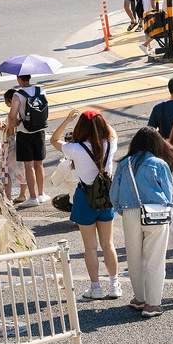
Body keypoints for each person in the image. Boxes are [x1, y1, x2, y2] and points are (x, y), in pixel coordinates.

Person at [50, 107, 120, 300]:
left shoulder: (76, 149)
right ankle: (115, 285)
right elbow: (112, 132)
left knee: (90, 248)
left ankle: (96, 288)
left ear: (81, 127)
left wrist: (66, 120)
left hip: (84, 198)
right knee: (108, 244)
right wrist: (100, 121)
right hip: (106, 198)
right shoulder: (110, 144)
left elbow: (54, 140)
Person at [111, 127, 173, 318]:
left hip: (130, 212)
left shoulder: (125, 163)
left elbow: (114, 192)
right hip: (155, 213)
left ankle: (140, 298)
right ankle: (153, 304)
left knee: (134, 257)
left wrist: (122, 209)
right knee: (155, 259)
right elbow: (169, 193)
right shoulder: (159, 163)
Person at [10, 74, 49, 208]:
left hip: (25, 133)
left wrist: (15, 124)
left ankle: (32, 197)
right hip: (39, 131)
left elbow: (12, 116)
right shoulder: (41, 90)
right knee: (39, 164)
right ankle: (41, 194)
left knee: (29, 166)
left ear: (19, 79)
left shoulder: (18, 95)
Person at [0, 88, 22, 203]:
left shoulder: (12, 113)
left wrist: (3, 127)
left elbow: (11, 130)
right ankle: (22, 195)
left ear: (9, 101)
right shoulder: (22, 110)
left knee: (6, 170)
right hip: (21, 142)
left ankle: (8, 197)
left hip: (10, 143)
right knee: (21, 169)